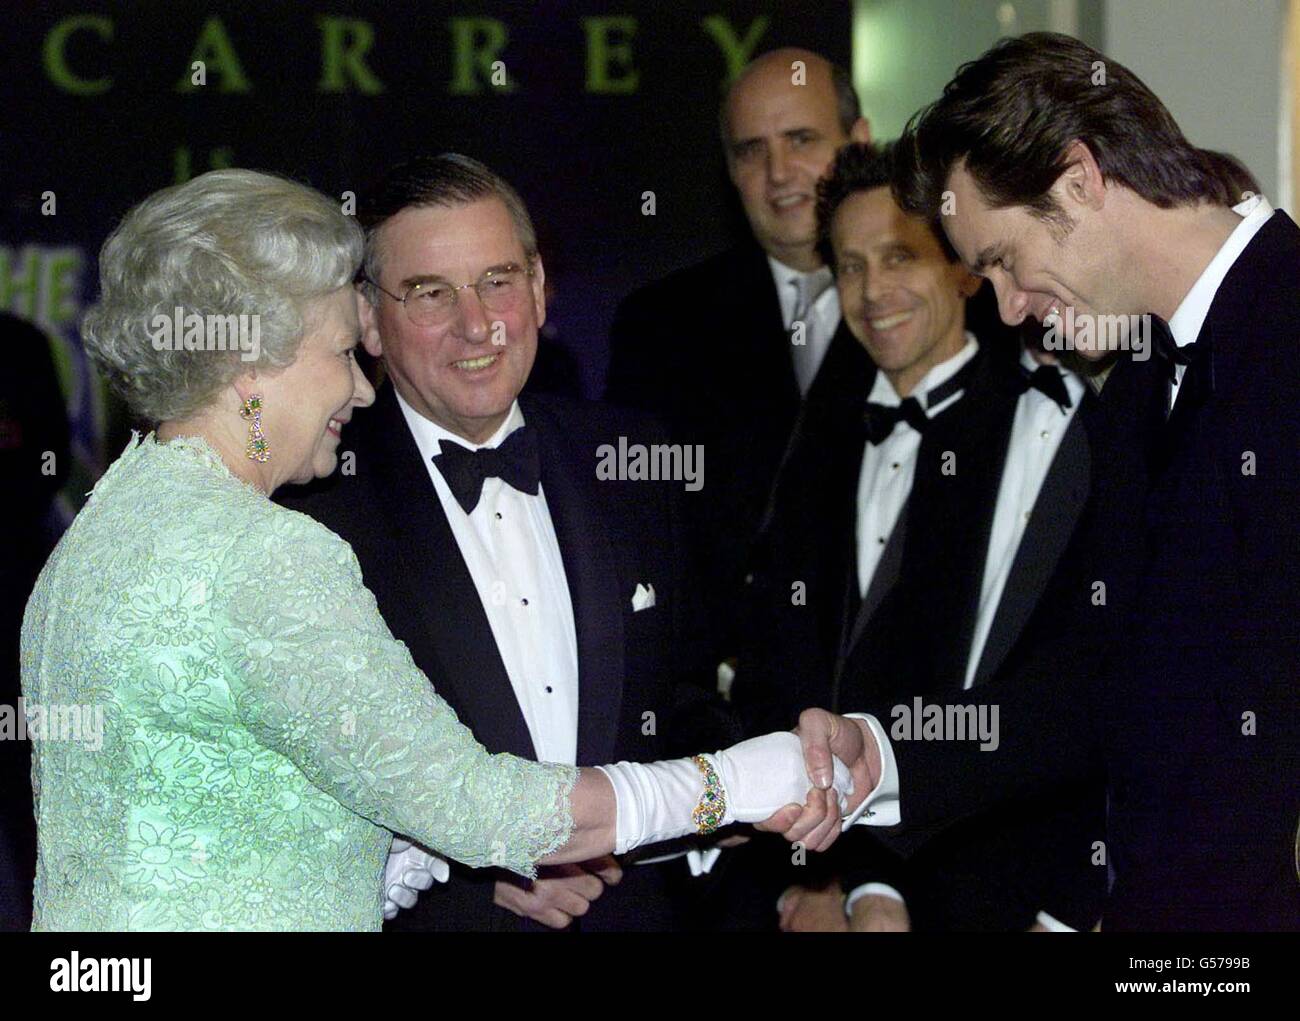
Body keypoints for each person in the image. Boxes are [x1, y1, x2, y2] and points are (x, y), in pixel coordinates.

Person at [20, 168, 862, 931]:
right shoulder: (269, 552)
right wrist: (752, 778)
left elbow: (242, 812)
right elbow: (486, 807)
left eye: (498, 280)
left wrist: (412, 851)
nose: (357, 385)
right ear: (252, 369)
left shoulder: (104, 524)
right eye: (342, 352)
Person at [799, 32, 1300, 931]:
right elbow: (1098, 687)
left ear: (1078, 178)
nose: (1008, 305)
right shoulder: (1135, 387)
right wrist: (886, 754)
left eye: (999, 258)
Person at [279, 153, 740, 932]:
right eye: (430, 292)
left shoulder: (629, 457)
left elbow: (687, 699)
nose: (476, 323)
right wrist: (470, 874)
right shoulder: (316, 507)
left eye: (498, 279)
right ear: (367, 321)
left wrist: (732, 804)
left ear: (537, 285)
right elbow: (289, 799)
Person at [605, 48, 872, 674]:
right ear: (728, 170)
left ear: (859, 142)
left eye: (802, 138)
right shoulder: (661, 327)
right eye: (751, 151)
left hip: (908, 705)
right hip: (736, 714)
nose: (780, 172)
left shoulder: (942, 303)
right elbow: (639, 532)